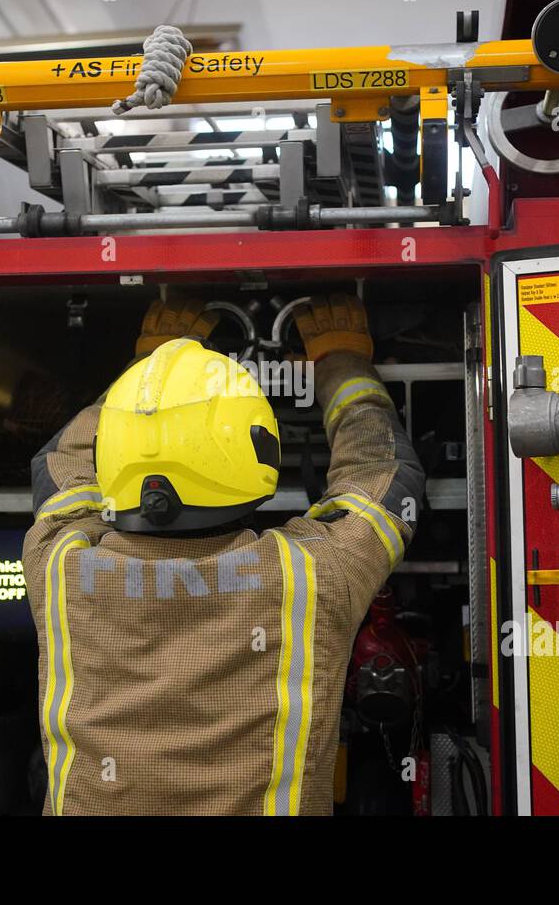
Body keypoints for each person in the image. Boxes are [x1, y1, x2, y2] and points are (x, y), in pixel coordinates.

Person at [22, 294, 424, 814]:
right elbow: (387, 477)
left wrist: (147, 376)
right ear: (258, 450)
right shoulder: (311, 574)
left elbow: (56, 466)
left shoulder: (58, 568)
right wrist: (341, 365)